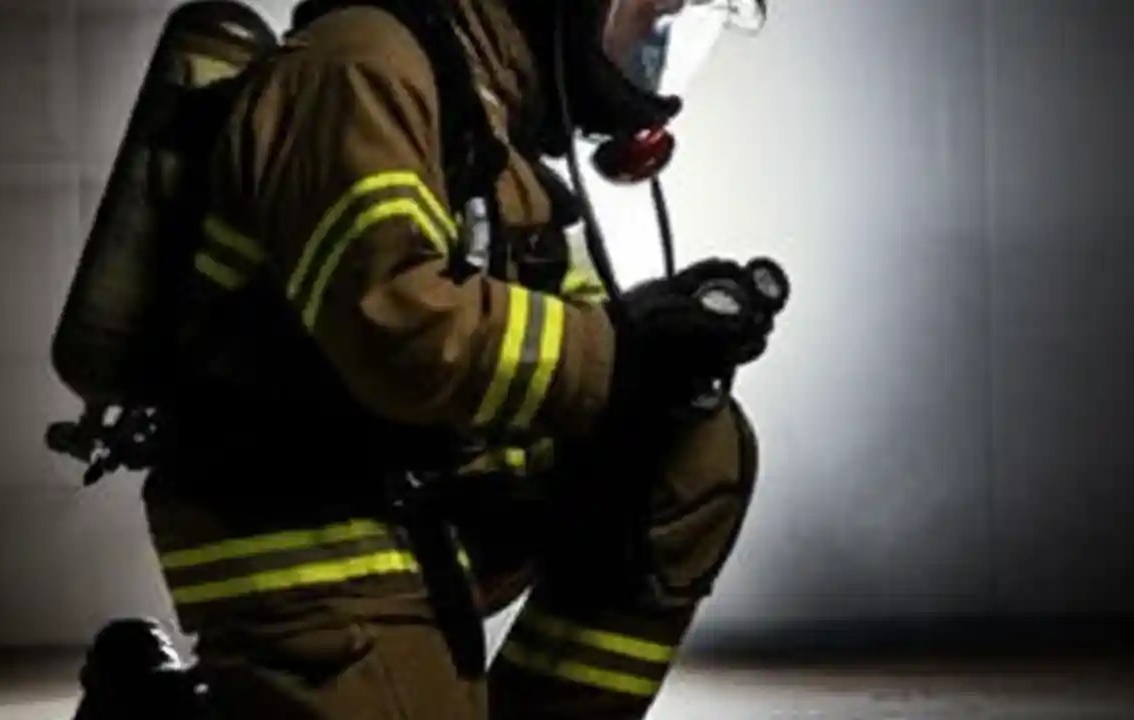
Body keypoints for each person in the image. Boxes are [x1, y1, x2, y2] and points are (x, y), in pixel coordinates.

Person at [134, 0, 775, 717]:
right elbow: (398, 328)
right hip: (305, 536)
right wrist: (618, 354)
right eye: (653, 7)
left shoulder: (484, 118)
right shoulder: (359, 69)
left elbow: (566, 322)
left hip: (418, 507)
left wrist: (661, 342)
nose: (659, 37)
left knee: (690, 443)